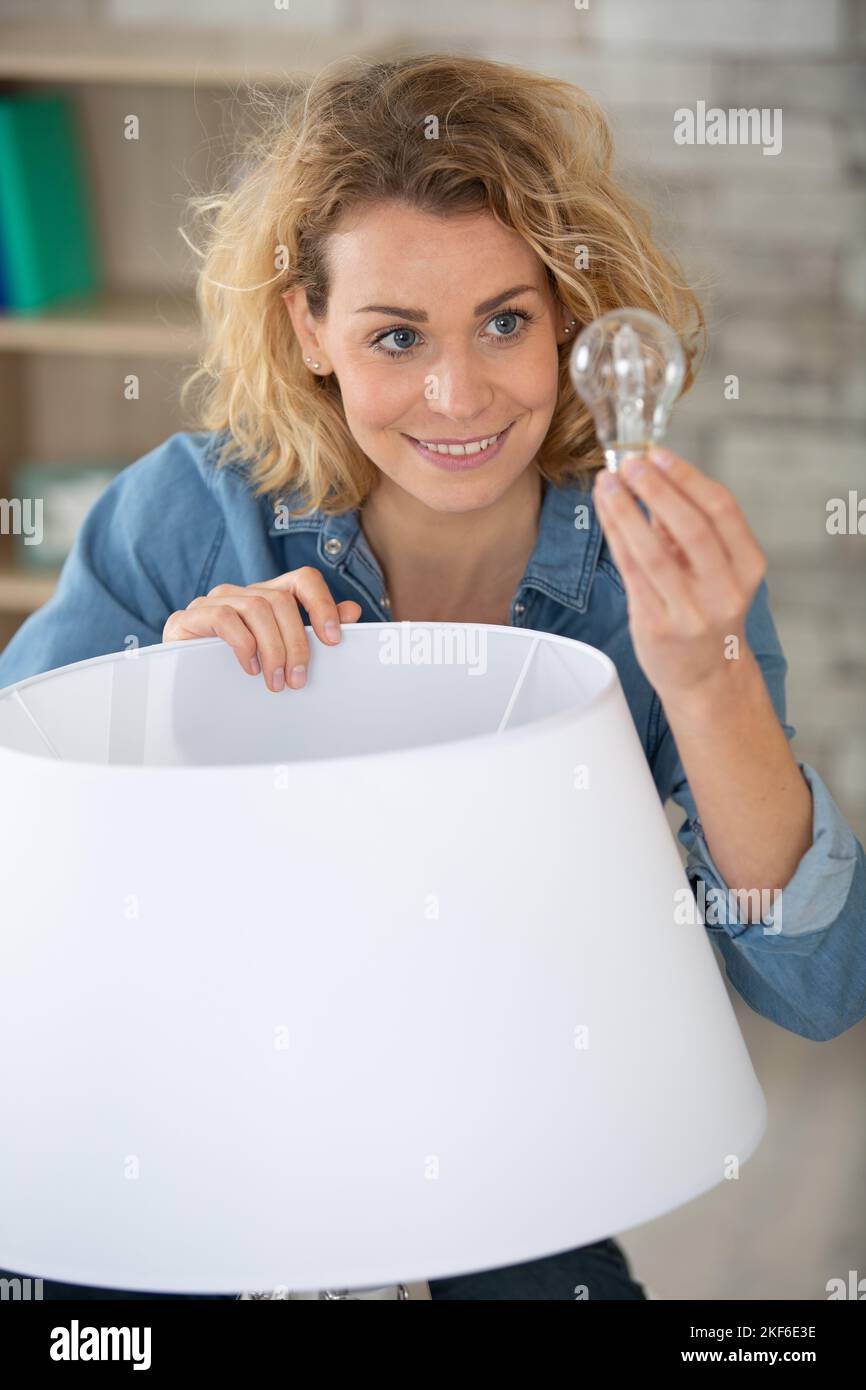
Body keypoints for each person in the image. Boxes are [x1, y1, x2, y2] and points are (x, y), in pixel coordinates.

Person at [0, 54, 862, 1302]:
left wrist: (707, 680)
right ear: (308, 327)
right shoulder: (185, 519)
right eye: (394, 336)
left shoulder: (653, 578)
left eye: (504, 321)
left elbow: (819, 987)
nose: (456, 395)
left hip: (495, 1152)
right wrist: (153, 719)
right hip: (200, 1125)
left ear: (568, 315)